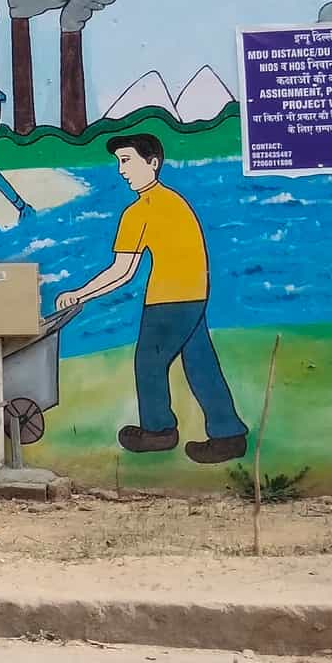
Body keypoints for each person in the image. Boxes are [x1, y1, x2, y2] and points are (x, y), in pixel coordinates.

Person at [55, 132, 247, 463]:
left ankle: (159, 431)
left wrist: (79, 294)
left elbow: (123, 271)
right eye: (119, 162)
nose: (121, 170)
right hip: (194, 293)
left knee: (149, 362)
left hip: (170, 299)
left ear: (153, 162)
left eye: (126, 161)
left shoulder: (140, 211)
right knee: (200, 362)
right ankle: (228, 434)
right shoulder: (174, 200)